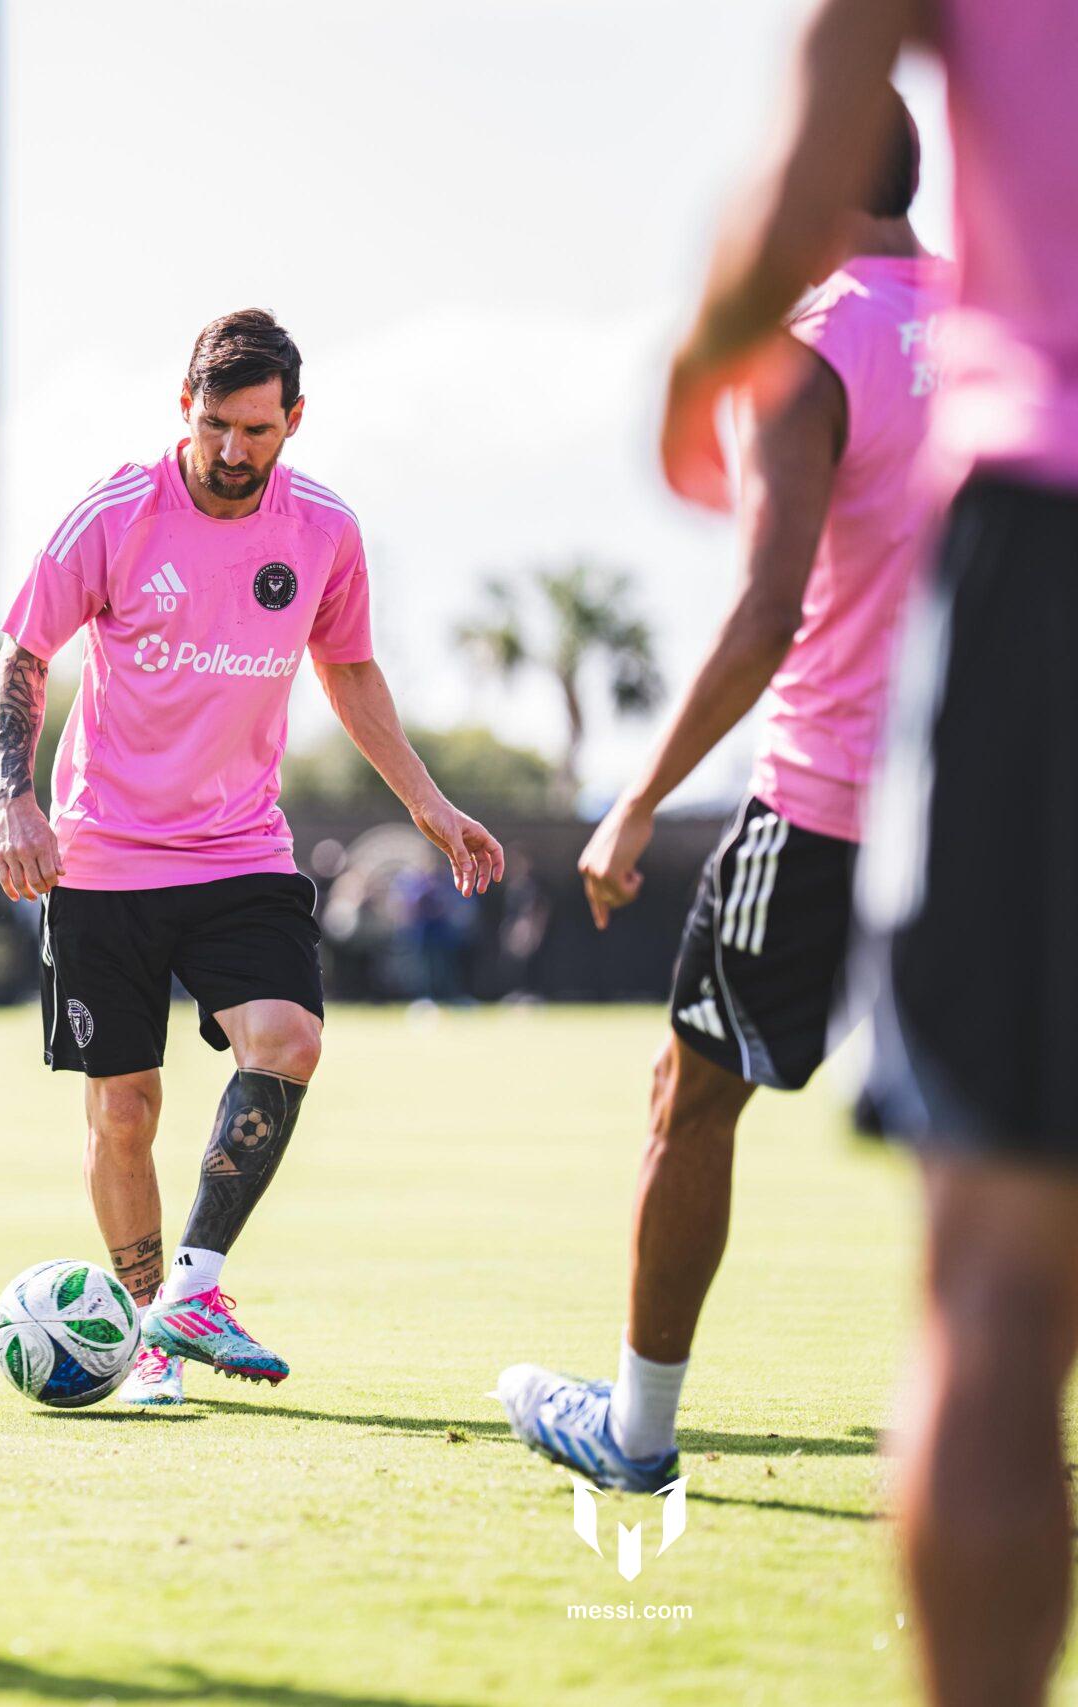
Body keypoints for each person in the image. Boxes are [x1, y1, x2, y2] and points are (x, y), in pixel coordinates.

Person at [649, 2, 1074, 1699]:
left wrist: (696, 377)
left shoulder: (829, 335)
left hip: (1050, 523)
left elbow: (798, 171)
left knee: (997, 1279)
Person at [497, 90, 946, 1494]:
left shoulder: (806, 353)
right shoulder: (1022, 328)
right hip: (994, 804)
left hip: (823, 809)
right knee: (1006, 1138)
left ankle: (634, 1431)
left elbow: (766, 615)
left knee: (690, 1101)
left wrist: (637, 797)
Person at [0, 310, 504, 1406]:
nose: (234, 452)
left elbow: (351, 673)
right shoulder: (116, 515)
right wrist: (12, 798)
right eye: (217, 425)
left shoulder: (322, 529)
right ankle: (143, 1344)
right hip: (101, 859)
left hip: (236, 851)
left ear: (294, 421)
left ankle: (194, 1291)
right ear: (185, 409)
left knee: (290, 1040)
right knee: (122, 1110)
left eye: (257, 430)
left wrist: (428, 805)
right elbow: (26, 652)